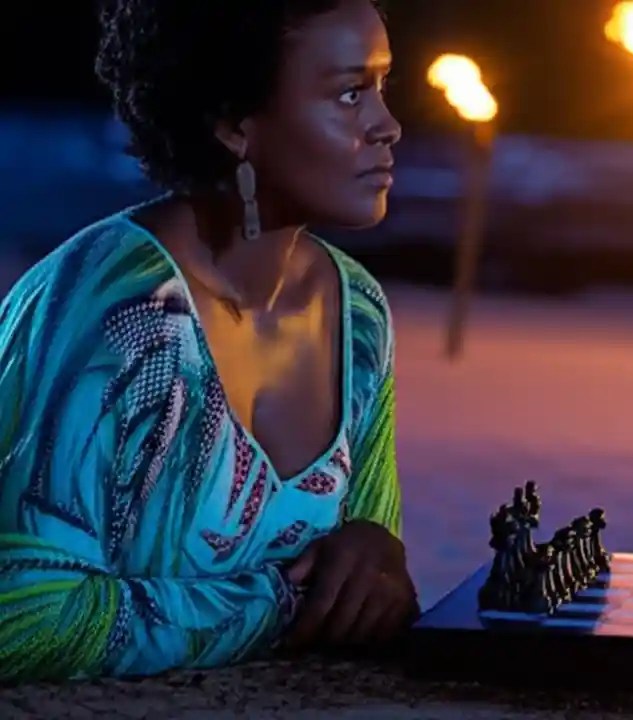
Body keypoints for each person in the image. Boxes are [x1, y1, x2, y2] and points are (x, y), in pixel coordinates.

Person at [0, 0, 418, 682]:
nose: (389, 126)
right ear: (233, 125)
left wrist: (376, 552)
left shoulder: (358, 314)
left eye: (381, 88)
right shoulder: (120, 313)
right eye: (349, 94)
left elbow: (369, 571)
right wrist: (283, 605)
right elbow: (23, 618)